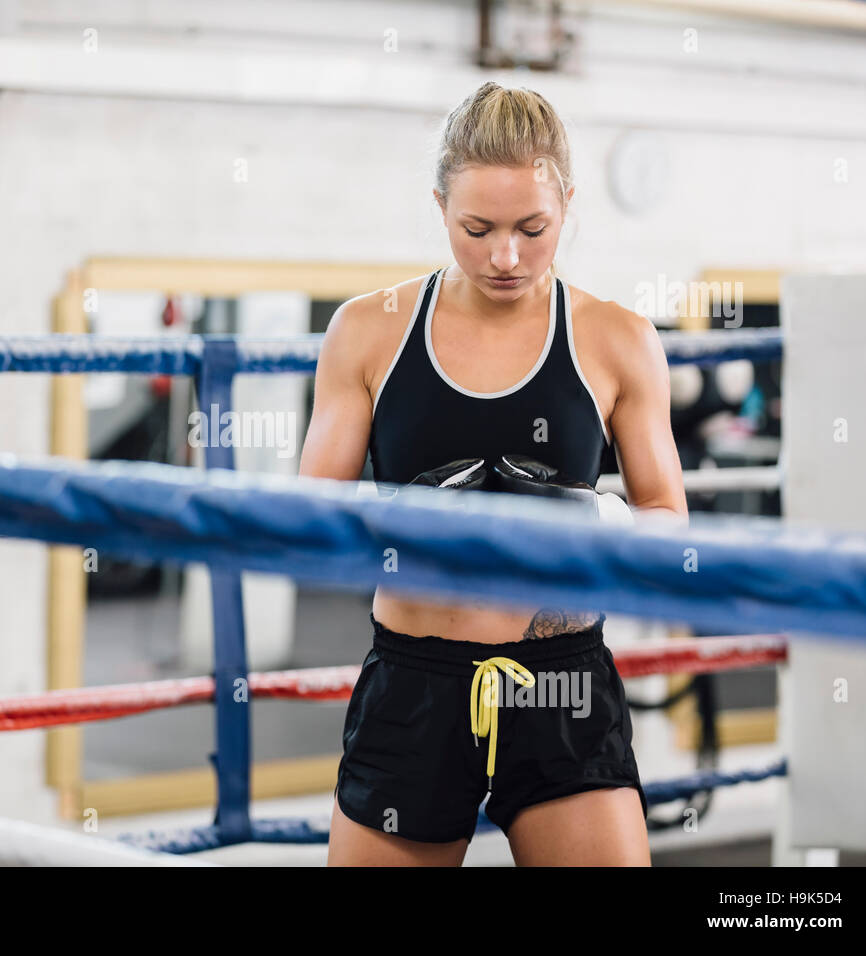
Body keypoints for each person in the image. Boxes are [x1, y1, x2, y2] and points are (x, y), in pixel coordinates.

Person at [299, 82, 687, 866]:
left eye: (532, 228)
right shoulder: (368, 332)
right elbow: (310, 520)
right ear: (439, 205)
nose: (505, 256)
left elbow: (665, 512)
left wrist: (600, 526)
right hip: (417, 681)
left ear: (568, 204)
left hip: (560, 683)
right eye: (476, 229)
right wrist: (403, 520)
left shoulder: (617, 339)